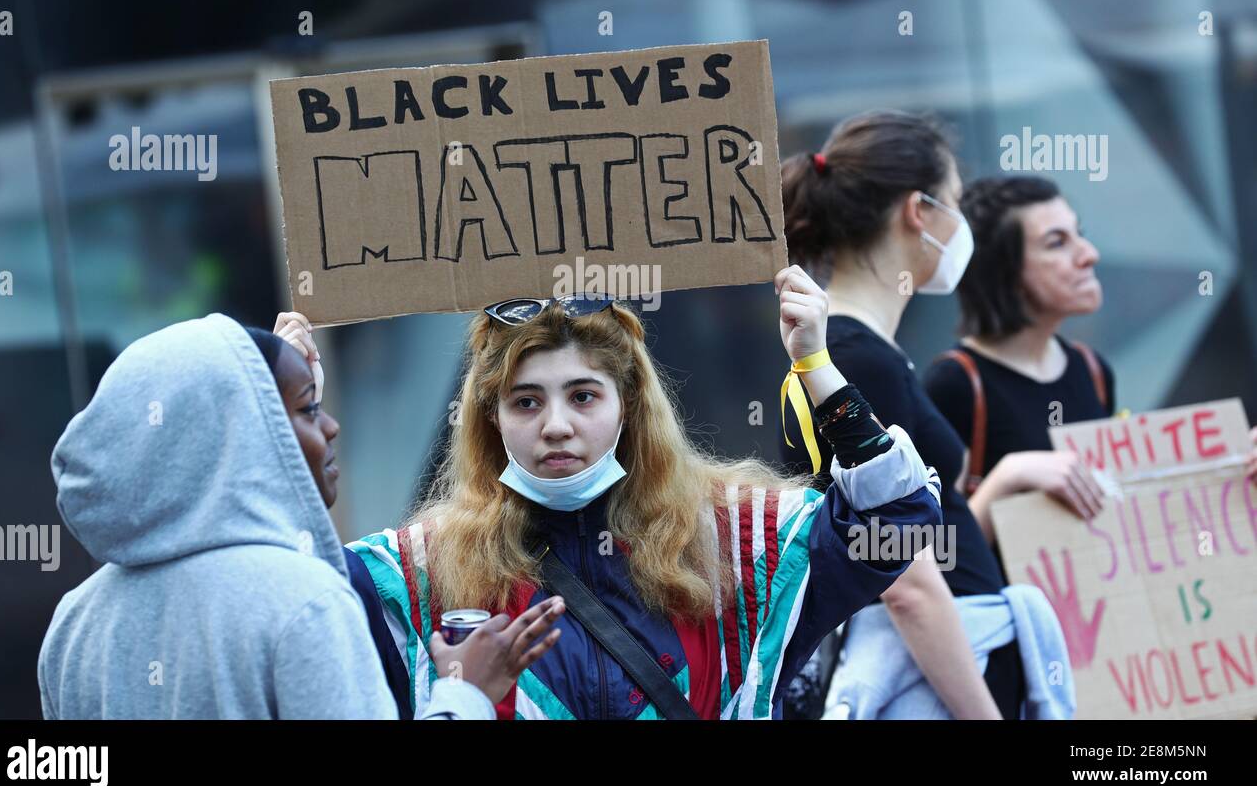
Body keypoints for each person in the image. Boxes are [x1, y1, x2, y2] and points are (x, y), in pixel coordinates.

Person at [279, 265, 944, 719]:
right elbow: (281, 606)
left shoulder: (741, 536)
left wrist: (815, 365)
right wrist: (289, 418)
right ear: (490, 420)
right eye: (526, 401)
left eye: (583, 395)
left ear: (629, 407)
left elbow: (904, 520)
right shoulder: (419, 573)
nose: (556, 425)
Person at [38, 313, 562, 719]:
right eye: (309, 407)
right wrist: (465, 692)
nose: (330, 426)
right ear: (245, 433)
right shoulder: (303, 601)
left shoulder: (74, 622)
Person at [778, 110, 1069, 720]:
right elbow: (906, 580)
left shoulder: (868, 354)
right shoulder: (855, 360)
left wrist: (1009, 477)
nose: (963, 226)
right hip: (932, 687)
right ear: (920, 212)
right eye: (956, 204)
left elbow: (934, 536)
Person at [923, 174, 1257, 546]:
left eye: (1079, 234)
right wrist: (1009, 478)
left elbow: (1125, 503)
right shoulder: (955, 384)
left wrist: (1236, 463)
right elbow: (937, 550)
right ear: (1005, 271)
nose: (1089, 255)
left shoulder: (1091, 368)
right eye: (1057, 243)